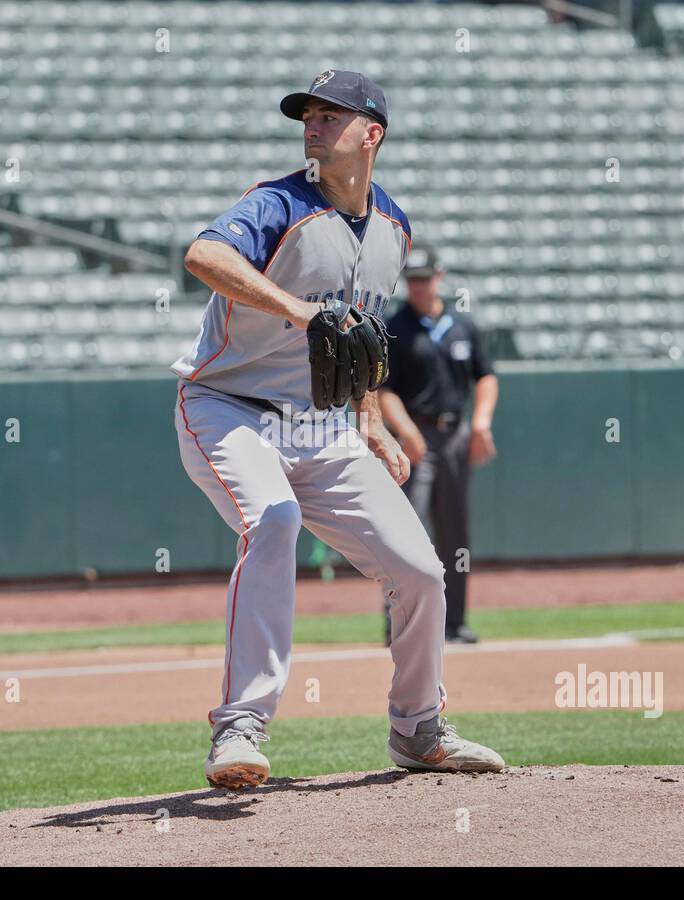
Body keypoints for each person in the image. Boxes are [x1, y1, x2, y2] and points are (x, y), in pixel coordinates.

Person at [170, 70, 506, 789]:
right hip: (227, 406)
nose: (314, 125)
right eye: (309, 116)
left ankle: (419, 729)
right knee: (274, 520)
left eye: (332, 115)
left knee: (419, 570)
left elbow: (362, 343)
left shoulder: (393, 229)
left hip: (322, 427)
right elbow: (203, 257)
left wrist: (372, 421)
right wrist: (297, 309)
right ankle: (241, 726)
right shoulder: (278, 202)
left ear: (371, 134)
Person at [380, 246, 499, 646]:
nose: (418, 287)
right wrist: (405, 430)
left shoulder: (462, 327)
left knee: (454, 532)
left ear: (439, 277)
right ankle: (399, 625)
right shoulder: (395, 329)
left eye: (424, 279)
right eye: (411, 281)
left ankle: (455, 622)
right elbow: (382, 390)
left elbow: (485, 376)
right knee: (407, 530)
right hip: (413, 437)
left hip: (455, 434)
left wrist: (480, 422)